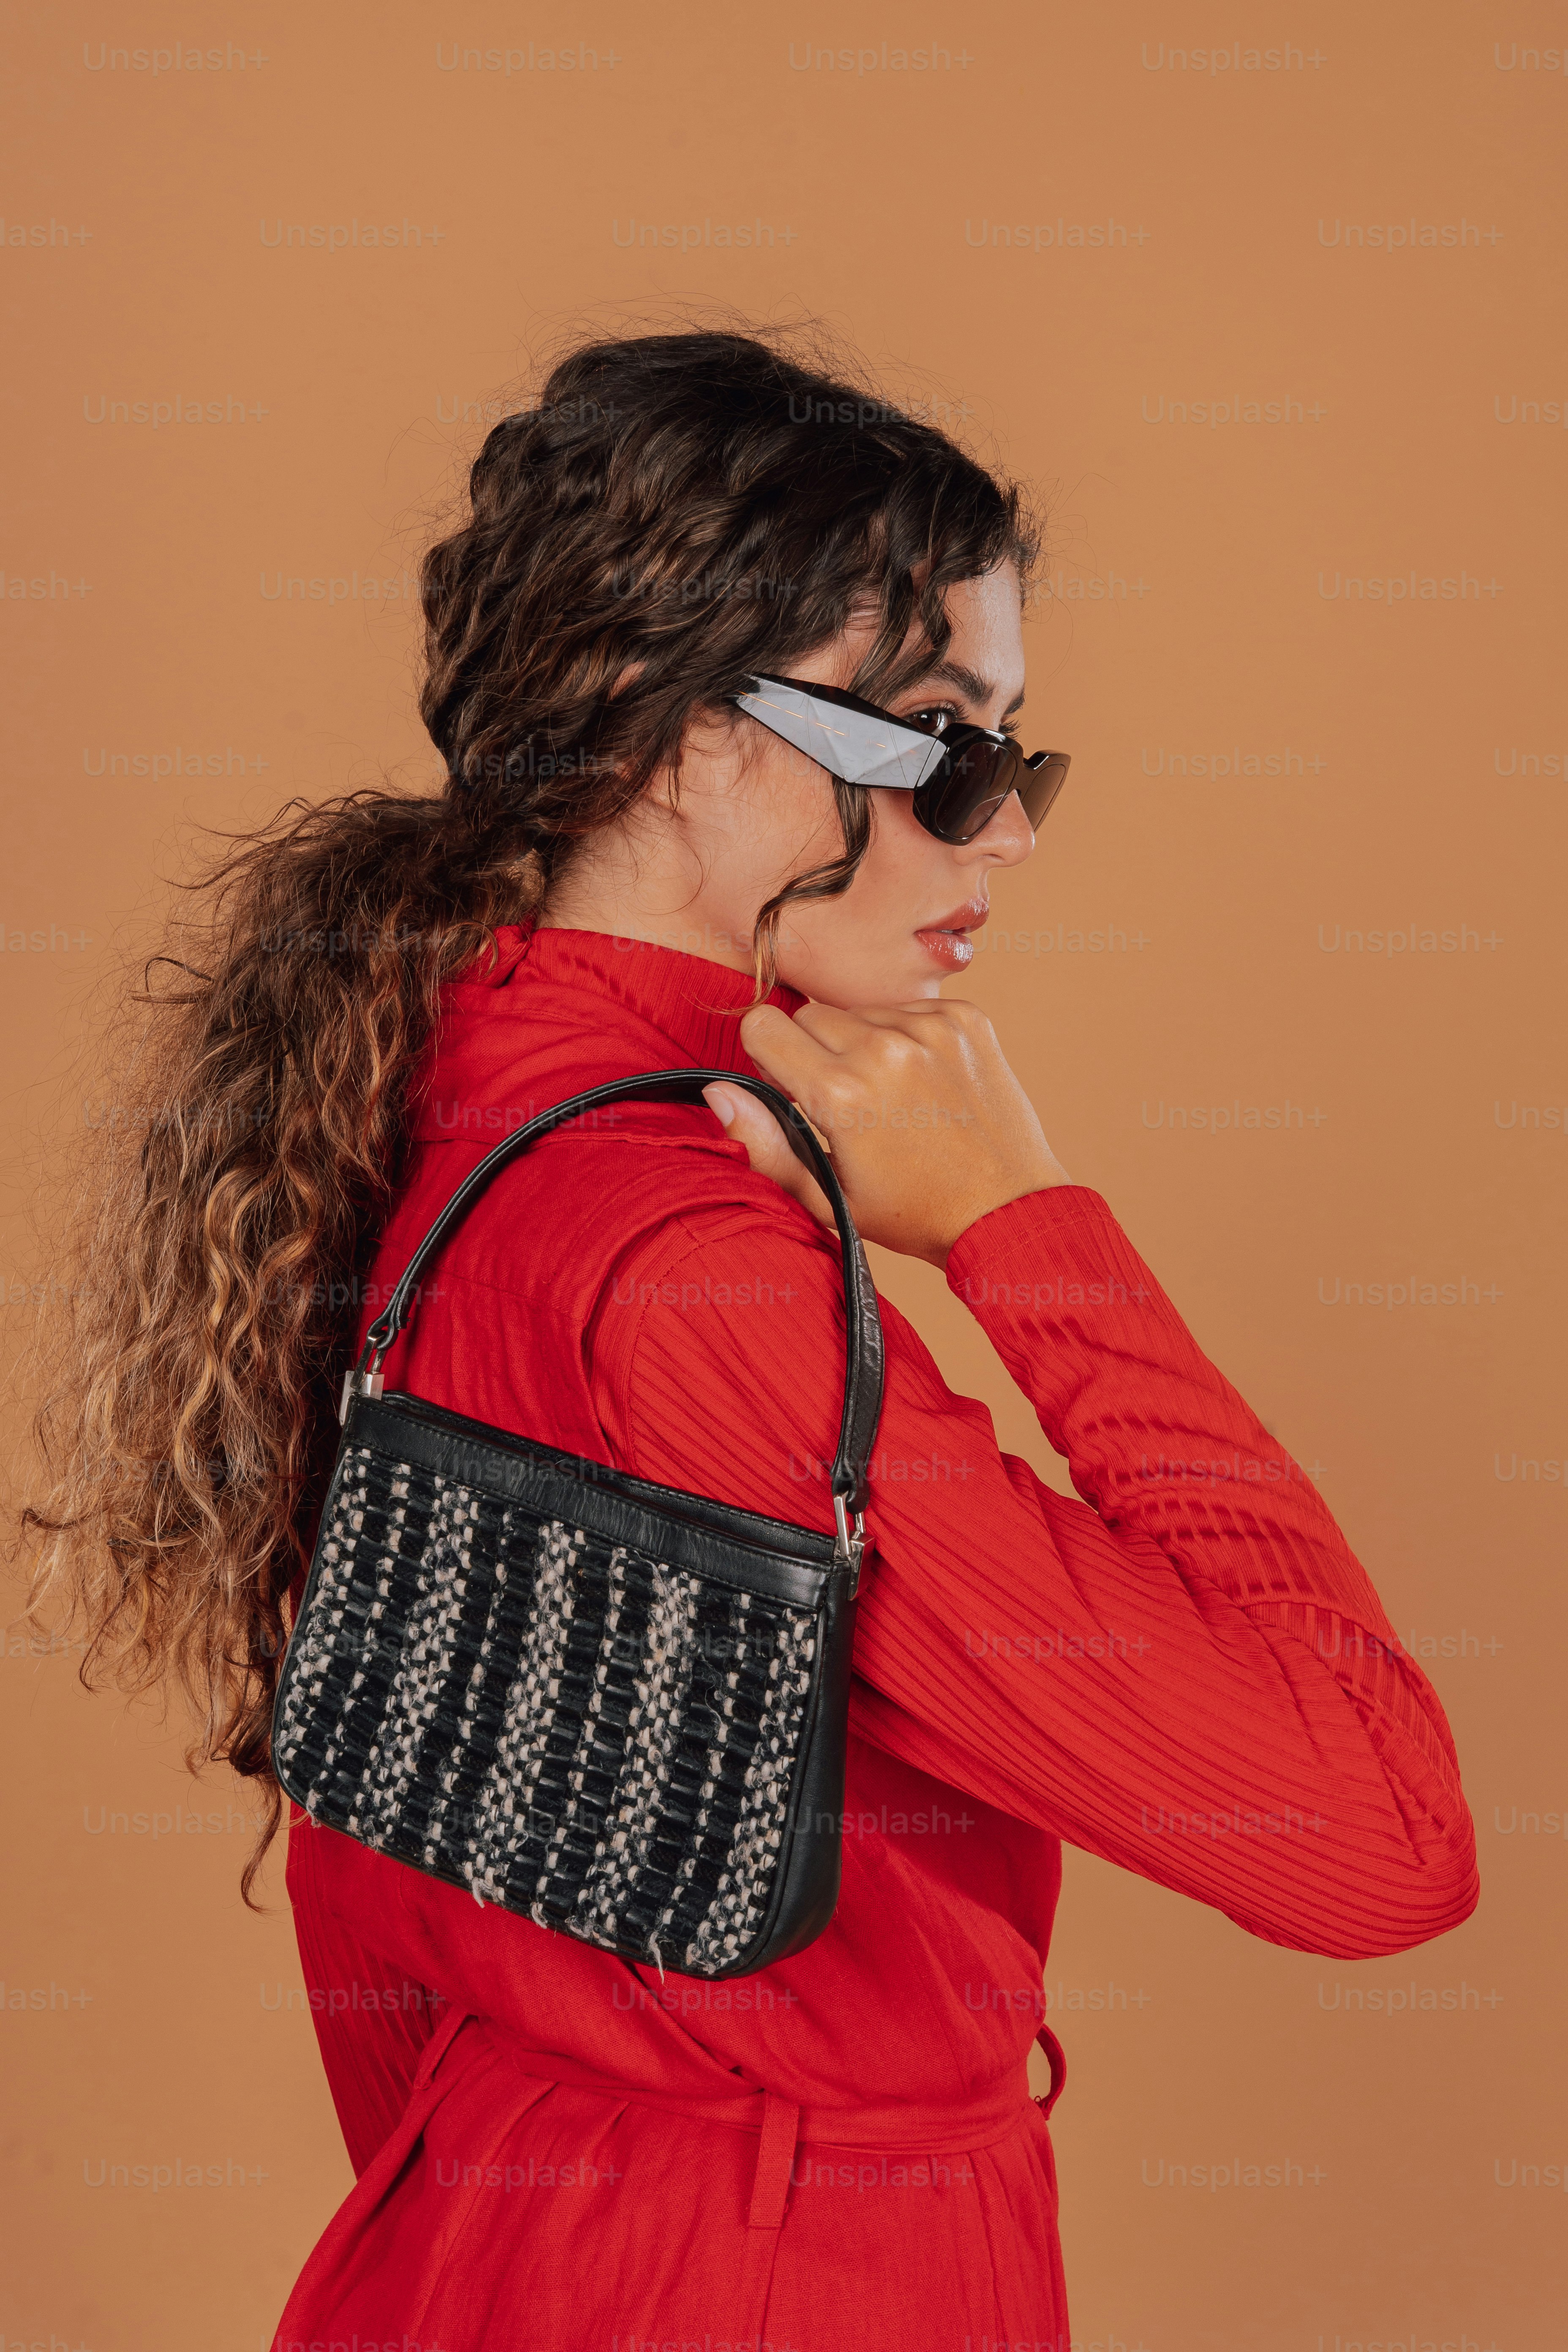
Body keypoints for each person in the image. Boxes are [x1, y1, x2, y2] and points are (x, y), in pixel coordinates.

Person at [27, 327, 1478, 2348]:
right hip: (783, 2278)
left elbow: (387, 1890)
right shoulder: (693, 1269)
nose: (1008, 832)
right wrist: (1027, 1234)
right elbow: (1371, 1839)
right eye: (942, 746)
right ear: (677, 735)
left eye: (1018, 759)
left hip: (478, 2240)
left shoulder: (422, 1111)